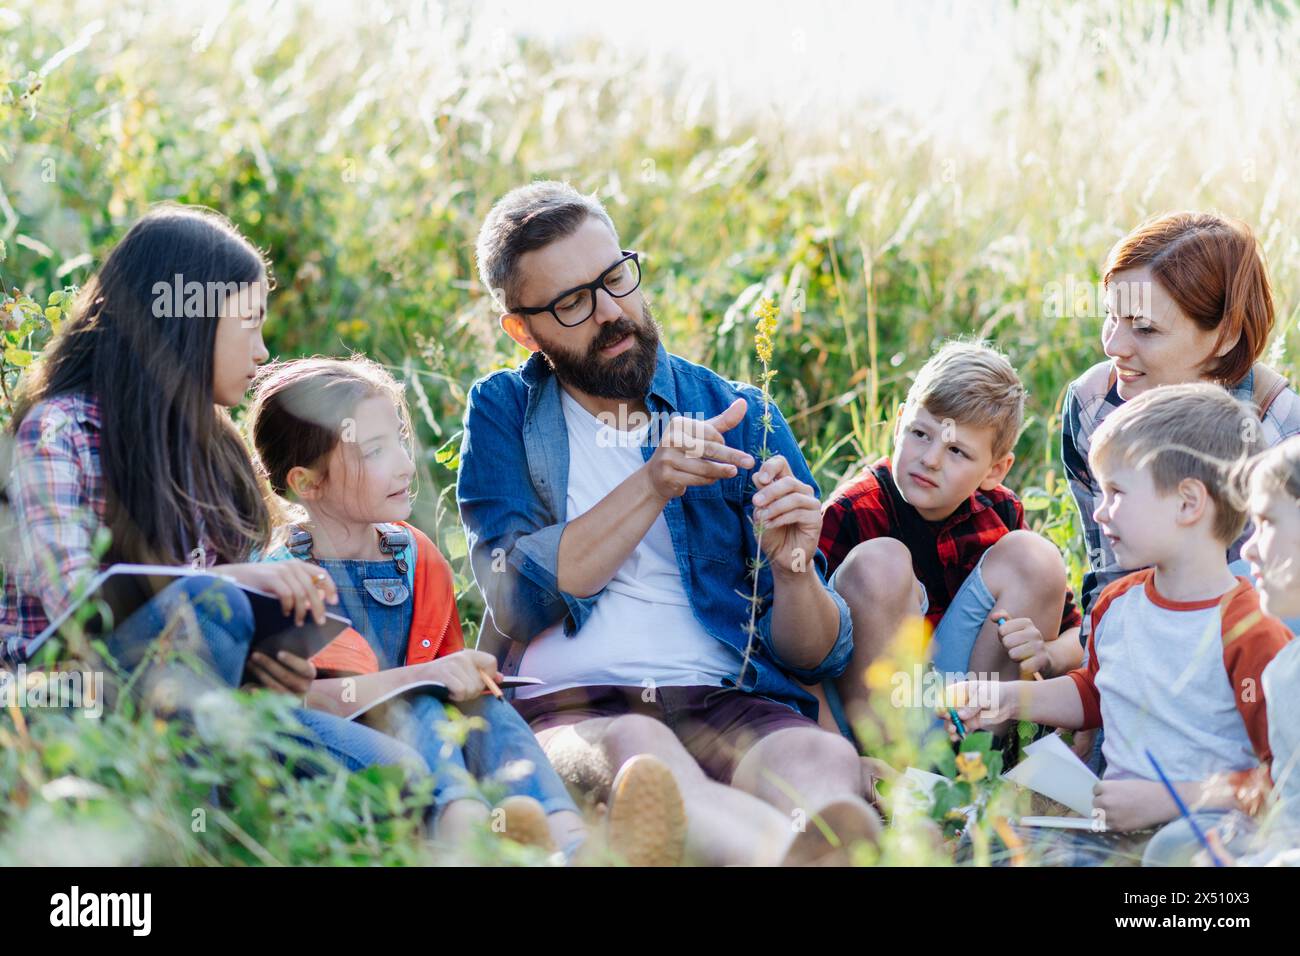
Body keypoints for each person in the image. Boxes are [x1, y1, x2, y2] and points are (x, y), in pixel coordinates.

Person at [459, 180, 879, 865]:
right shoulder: (504, 412)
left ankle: (822, 842)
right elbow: (519, 600)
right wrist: (652, 483)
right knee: (641, 752)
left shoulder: (737, 409)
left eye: (616, 278)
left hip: (723, 700)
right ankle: (796, 857)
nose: (612, 312)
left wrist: (792, 567)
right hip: (575, 708)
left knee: (818, 754)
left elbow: (815, 656)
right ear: (523, 328)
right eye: (573, 302)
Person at [1, 206, 444, 809]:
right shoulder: (58, 434)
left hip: (209, 708)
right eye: (249, 325)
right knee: (212, 600)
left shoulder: (215, 451)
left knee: (397, 773)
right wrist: (224, 588)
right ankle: (190, 831)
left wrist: (270, 669)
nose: (262, 352)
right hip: (66, 704)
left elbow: (223, 632)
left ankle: (228, 813)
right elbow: (77, 613)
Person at [246, 355, 598, 856]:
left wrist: (465, 675)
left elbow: (441, 676)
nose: (406, 466)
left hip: (430, 748)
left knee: (487, 710)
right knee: (422, 710)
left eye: (398, 440)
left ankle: (573, 842)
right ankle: (467, 843)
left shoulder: (416, 559)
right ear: (307, 483)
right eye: (373, 450)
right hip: (343, 764)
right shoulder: (283, 580)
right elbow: (298, 706)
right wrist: (416, 682)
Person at [944, 384, 1290, 865]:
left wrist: (1168, 799)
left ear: (1188, 503)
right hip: (1113, 816)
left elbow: (1283, 779)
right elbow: (1097, 693)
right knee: (992, 833)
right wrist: (1008, 697)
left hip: (1203, 831)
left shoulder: (1250, 629)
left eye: (1117, 492)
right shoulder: (1118, 603)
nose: (1101, 512)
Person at [814, 341, 1081, 744]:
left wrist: (1047, 654)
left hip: (958, 701)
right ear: (899, 421)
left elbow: (1076, 635)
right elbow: (797, 651)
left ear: (995, 469)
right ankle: (896, 772)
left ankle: (980, 759)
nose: (931, 459)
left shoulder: (1000, 513)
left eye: (956, 450)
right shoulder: (852, 510)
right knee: (880, 562)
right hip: (872, 712)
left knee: (1035, 556)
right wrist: (835, 747)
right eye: (921, 434)